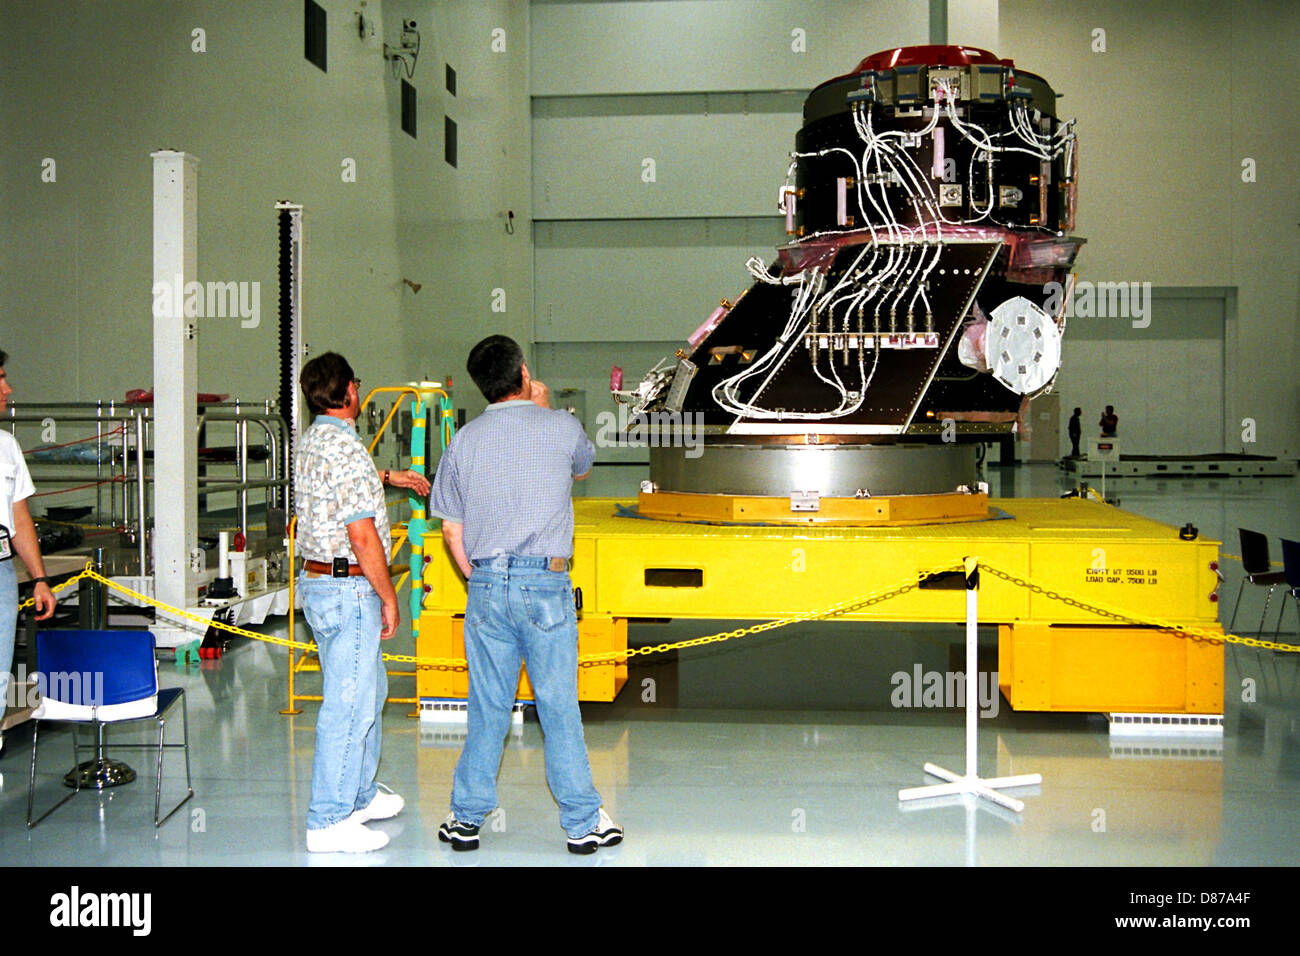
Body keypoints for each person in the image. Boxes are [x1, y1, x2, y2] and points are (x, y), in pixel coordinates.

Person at [429, 335, 623, 854]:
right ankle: (582, 824)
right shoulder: (561, 426)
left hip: (488, 584)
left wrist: (479, 577)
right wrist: (545, 408)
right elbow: (582, 466)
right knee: (558, 705)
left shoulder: (463, 441)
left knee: (488, 706)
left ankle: (465, 819)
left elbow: (451, 530)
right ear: (523, 374)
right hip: (546, 586)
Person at [294, 352, 430, 853]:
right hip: (349, 587)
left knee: (367, 693)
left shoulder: (316, 440)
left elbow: (346, 481)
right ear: (350, 391)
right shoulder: (345, 450)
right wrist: (388, 596)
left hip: (320, 585)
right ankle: (328, 820)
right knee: (348, 705)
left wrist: (390, 477)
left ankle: (359, 795)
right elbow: (363, 536)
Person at [0, 350, 58, 755]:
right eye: (0, 379)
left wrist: (38, 578)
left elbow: (20, 518)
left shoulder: (7, 446)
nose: (8, 388)